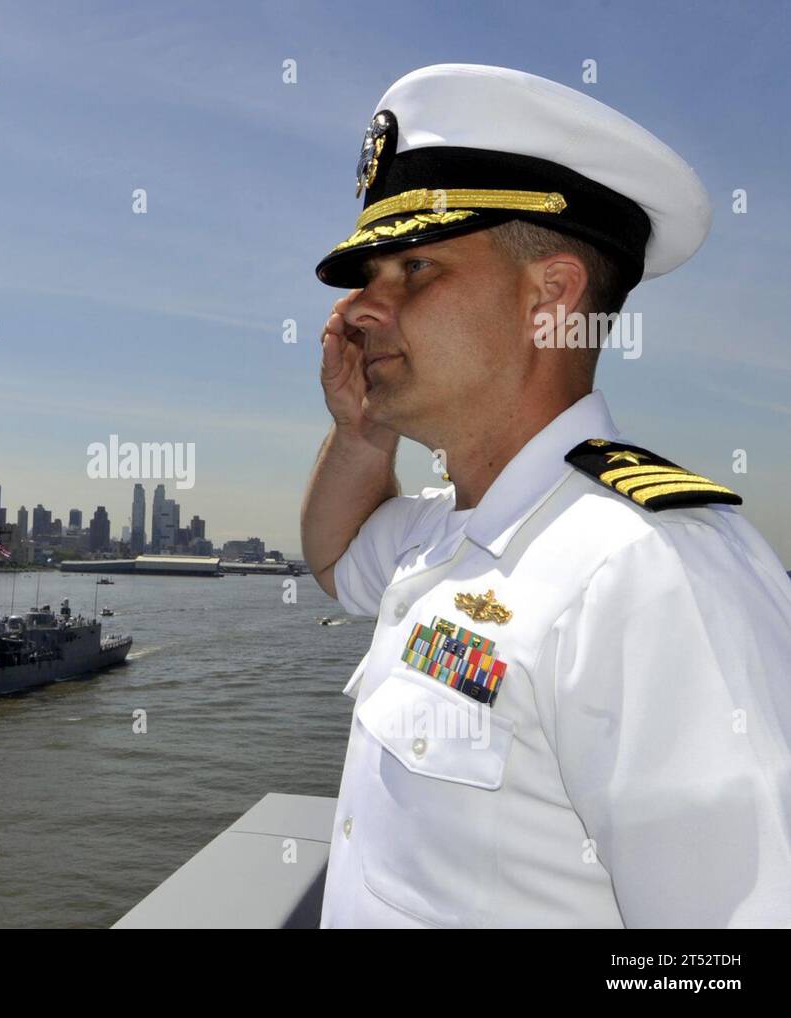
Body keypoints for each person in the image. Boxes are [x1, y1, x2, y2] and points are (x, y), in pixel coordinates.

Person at [301, 64, 791, 928]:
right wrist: (360, 429)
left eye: (414, 268)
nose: (359, 312)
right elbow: (337, 557)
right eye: (369, 277)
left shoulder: (648, 572)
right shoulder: (446, 534)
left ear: (551, 297)